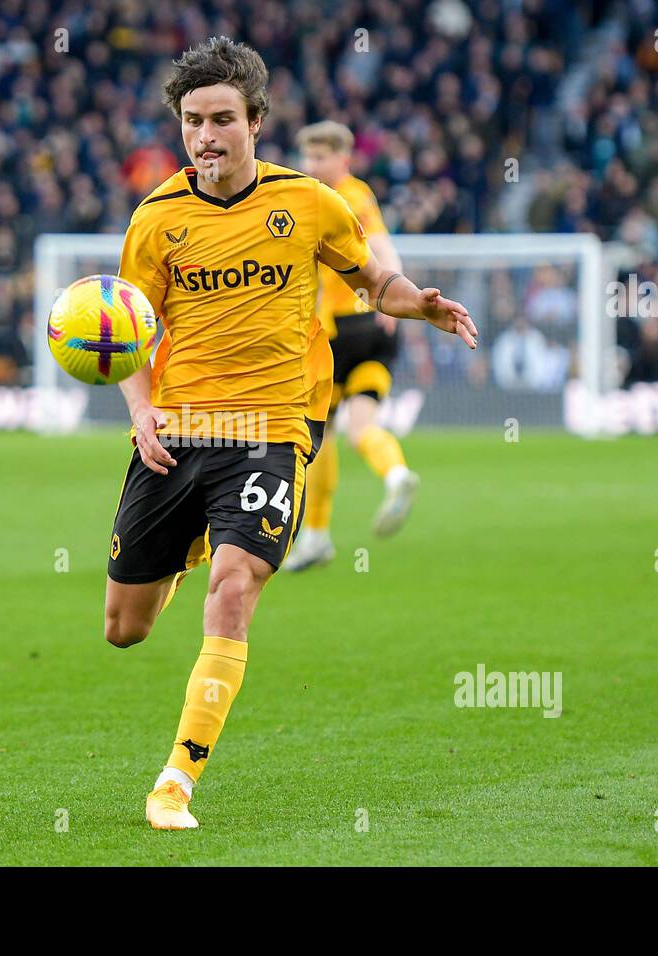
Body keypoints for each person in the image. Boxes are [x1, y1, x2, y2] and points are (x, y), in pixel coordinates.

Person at [103, 37, 476, 830]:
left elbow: (373, 280)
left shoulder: (308, 202)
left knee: (234, 588)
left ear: (257, 122)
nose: (206, 136)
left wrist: (419, 304)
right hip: (177, 430)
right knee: (125, 629)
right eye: (192, 121)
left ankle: (177, 778)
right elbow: (129, 334)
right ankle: (189, 541)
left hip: (272, 428)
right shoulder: (156, 219)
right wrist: (140, 412)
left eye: (222, 120)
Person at [282, 120, 421, 574]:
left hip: (338, 331)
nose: (312, 165)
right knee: (361, 427)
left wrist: (392, 291)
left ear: (344, 159)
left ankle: (317, 535)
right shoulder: (359, 193)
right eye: (308, 157)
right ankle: (396, 473)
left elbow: (380, 247)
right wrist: (394, 299)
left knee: (316, 438)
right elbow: (384, 246)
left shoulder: (341, 197)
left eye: (321, 157)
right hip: (377, 330)